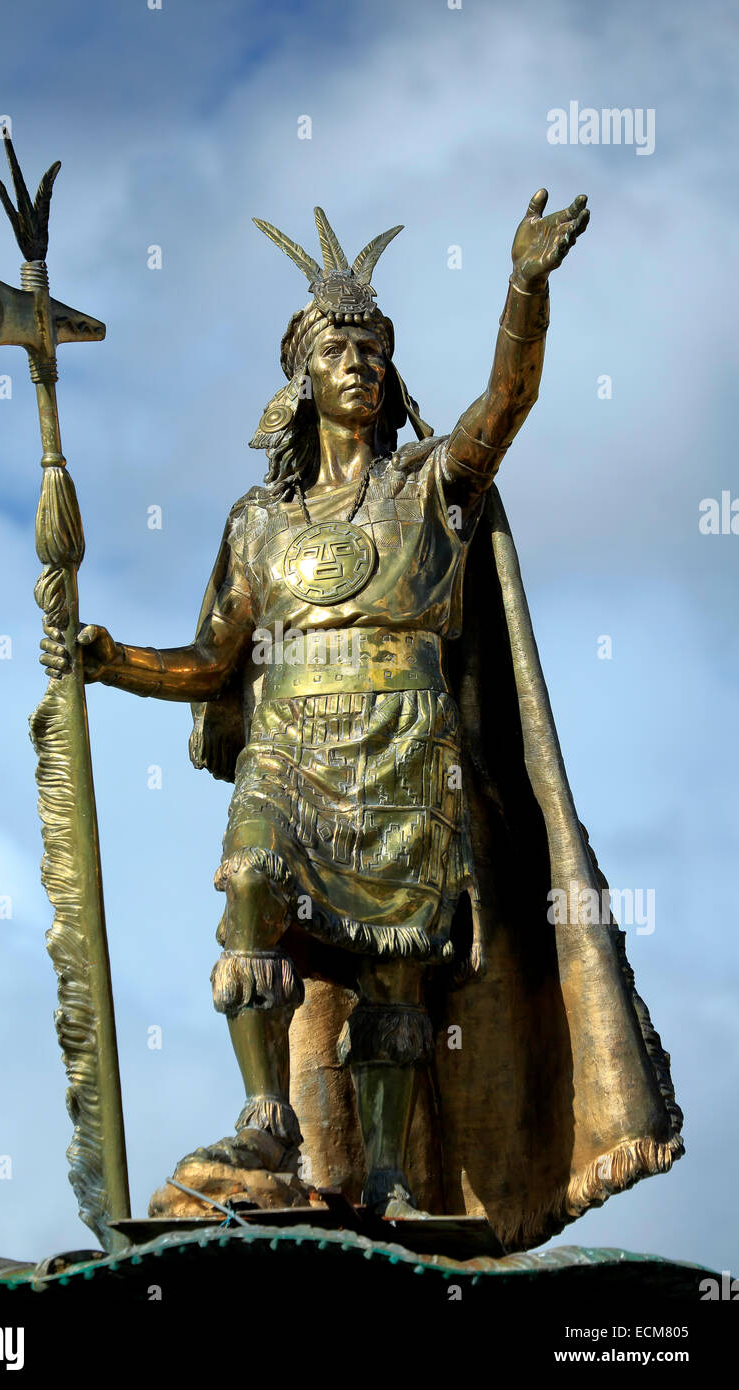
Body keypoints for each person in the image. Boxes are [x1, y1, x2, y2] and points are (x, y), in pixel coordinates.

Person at [42, 192, 683, 1245]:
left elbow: (505, 402)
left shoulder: (432, 486)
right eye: (338, 348)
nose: (359, 363)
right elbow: (215, 664)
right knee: (250, 883)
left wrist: (522, 285)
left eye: (374, 349)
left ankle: (386, 1175)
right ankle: (264, 1119)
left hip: (403, 749)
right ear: (301, 375)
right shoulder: (259, 523)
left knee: (393, 968)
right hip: (289, 750)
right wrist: (110, 659)